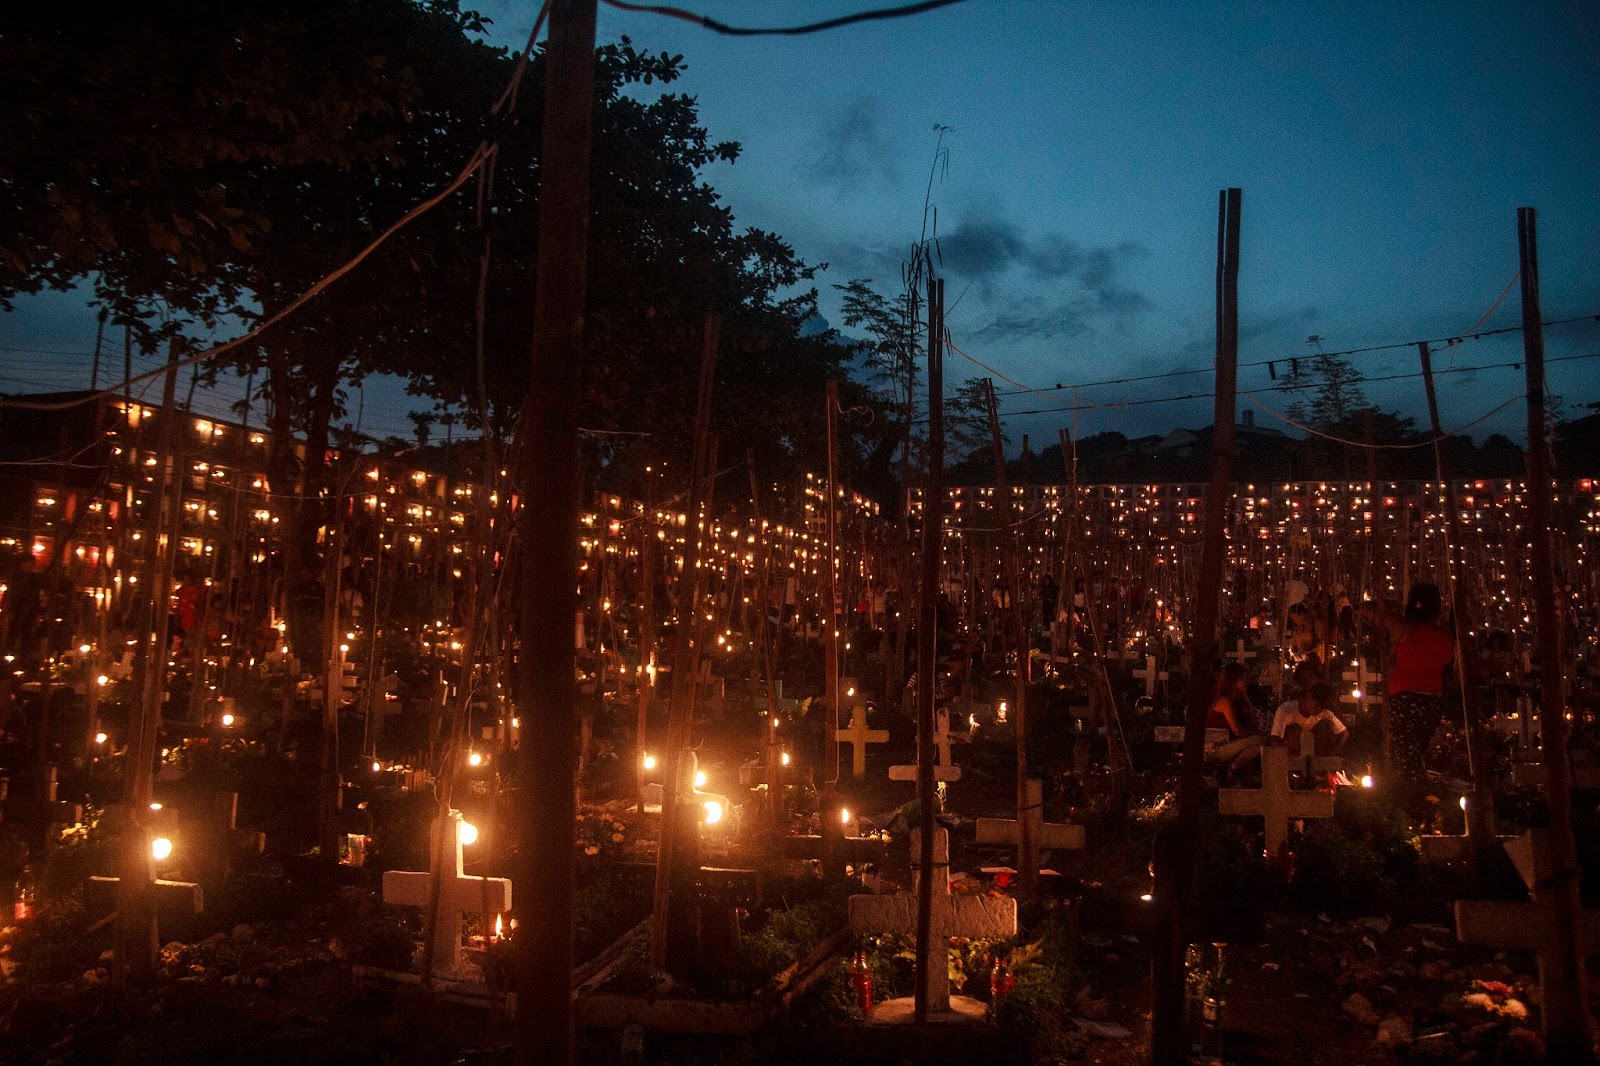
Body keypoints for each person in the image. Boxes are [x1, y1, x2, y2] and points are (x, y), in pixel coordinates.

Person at [1367, 583, 1454, 812]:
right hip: (1432, 699)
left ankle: (1415, 801)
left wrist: (1389, 609)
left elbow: (1366, 609)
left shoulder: (1405, 628)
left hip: (1405, 698)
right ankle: (1422, 799)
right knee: (1415, 751)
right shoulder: (1446, 636)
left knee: (1406, 754)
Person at [1208, 661, 1264, 771]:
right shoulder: (1223, 701)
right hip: (1216, 749)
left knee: (1260, 744)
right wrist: (1254, 735)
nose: (1246, 682)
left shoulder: (1237, 700)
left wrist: (1246, 699)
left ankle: (1235, 768)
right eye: (1243, 679)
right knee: (1259, 740)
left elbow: (1254, 723)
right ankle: (1234, 768)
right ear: (1233, 680)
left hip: (1229, 744)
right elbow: (1238, 731)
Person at [1271, 680, 1349, 757]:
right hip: (1292, 752)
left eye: (1323, 707)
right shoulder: (1286, 710)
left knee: (1325, 725)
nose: (1319, 710)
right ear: (1309, 697)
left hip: (1316, 752)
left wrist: (1331, 753)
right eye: (1317, 705)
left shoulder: (1325, 713)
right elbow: (1276, 739)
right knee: (1292, 729)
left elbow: (1343, 733)